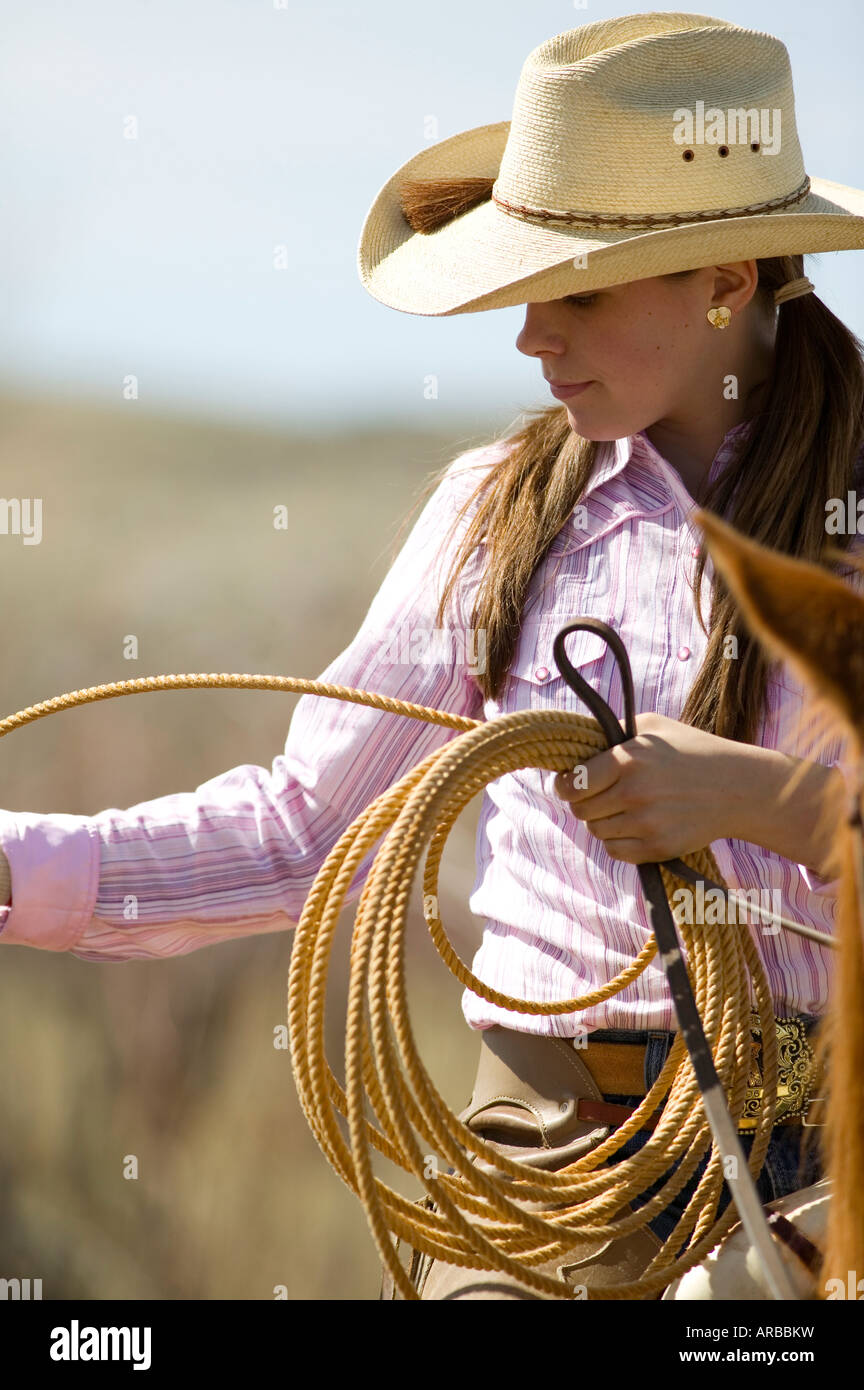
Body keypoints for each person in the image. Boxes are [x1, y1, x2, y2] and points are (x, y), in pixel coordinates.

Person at [2, 11, 864, 1298]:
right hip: (546, 1145)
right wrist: (15, 867)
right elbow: (308, 832)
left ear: (725, 281)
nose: (531, 339)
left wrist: (770, 803)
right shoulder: (498, 512)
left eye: (574, 292)